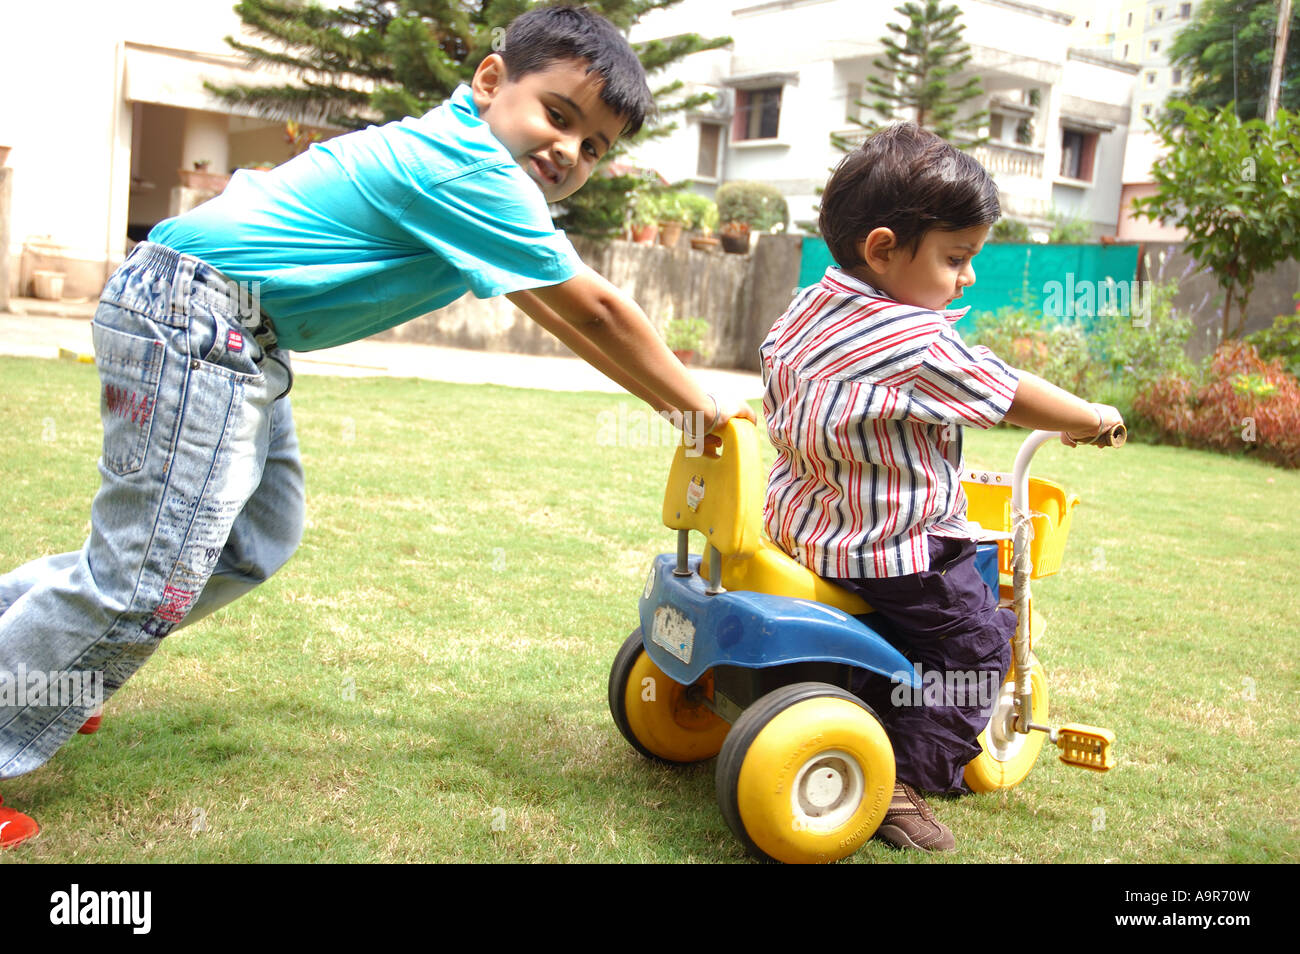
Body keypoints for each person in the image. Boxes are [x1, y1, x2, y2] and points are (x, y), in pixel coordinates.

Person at [0, 5, 752, 848]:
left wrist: (671, 408)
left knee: (255, 538)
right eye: (560, 115)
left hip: (232, 328)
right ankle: (24, 689)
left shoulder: (467, 157)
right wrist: (697, 406)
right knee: (147, 574)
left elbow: (564, 315)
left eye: (594, 147)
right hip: (199, 315)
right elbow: (603, 312)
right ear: (493, 81)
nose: (569, 151)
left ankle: (54, 669)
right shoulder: (471, 166)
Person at [759, 122, 1122, 852]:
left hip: (803, 528)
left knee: (918, 630)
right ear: (884, 249)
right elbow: (1009, 391)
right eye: (956, 258)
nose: (968, 278)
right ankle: (898, 779)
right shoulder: (915, 340)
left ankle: (856, 702)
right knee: (980, 646)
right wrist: (1090, 417)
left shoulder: (804, 310)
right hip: (897, 551)